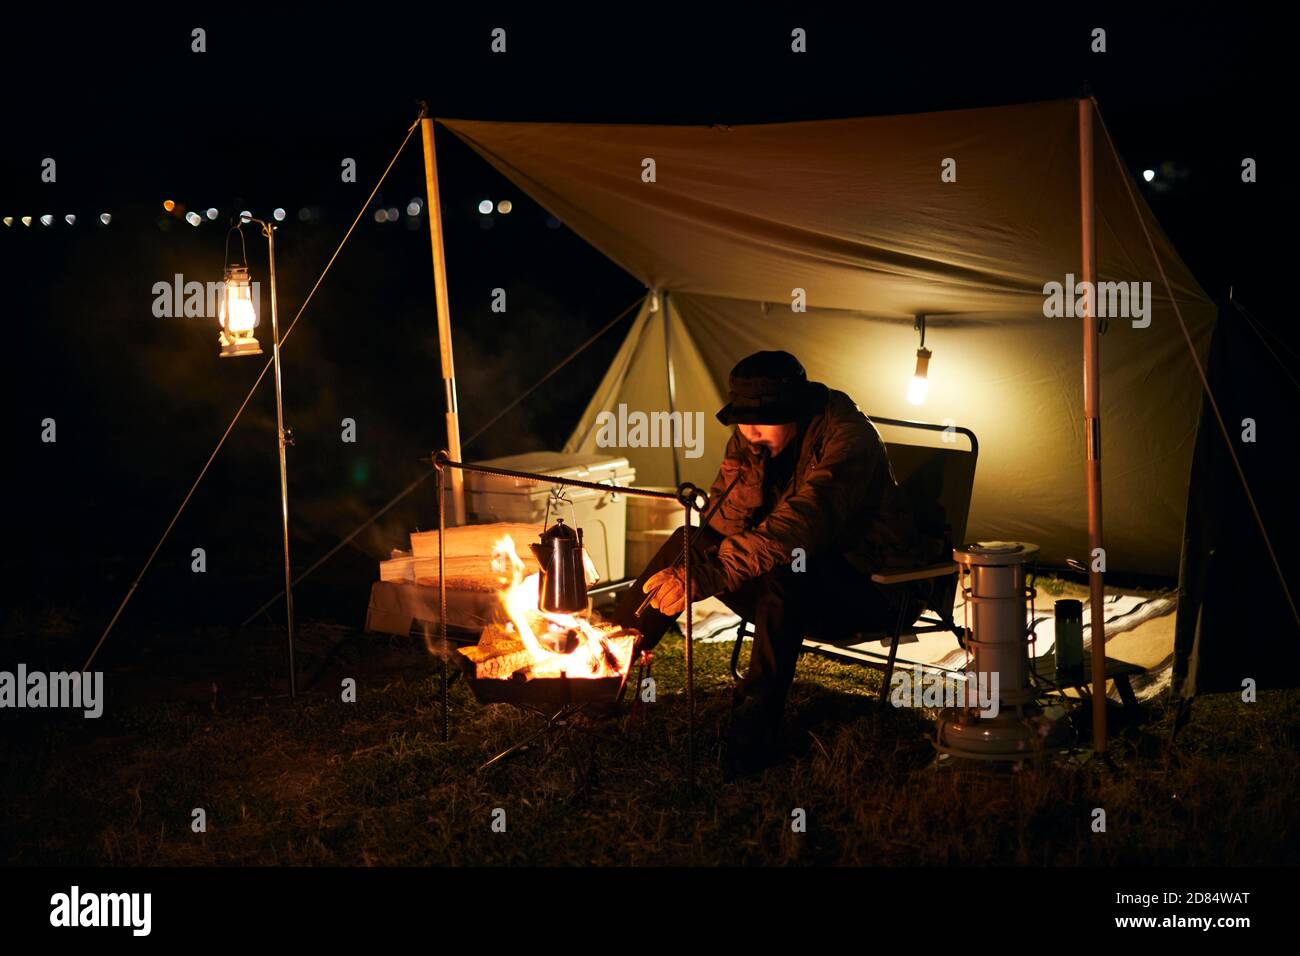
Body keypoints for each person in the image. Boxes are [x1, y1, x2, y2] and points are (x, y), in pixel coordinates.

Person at [610, 350, 948, 776]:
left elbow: (800, 526)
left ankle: (753, 732)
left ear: (797, 409)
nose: (749, 429)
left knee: (790, 565)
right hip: (790, 590)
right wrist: (748, 477)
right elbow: (722, 523)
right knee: (688, 541)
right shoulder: (754, 439)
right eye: (743, 419)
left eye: (763, 418)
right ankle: (607, 665)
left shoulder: (849, 440)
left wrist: (712, 571)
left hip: (873, 589)